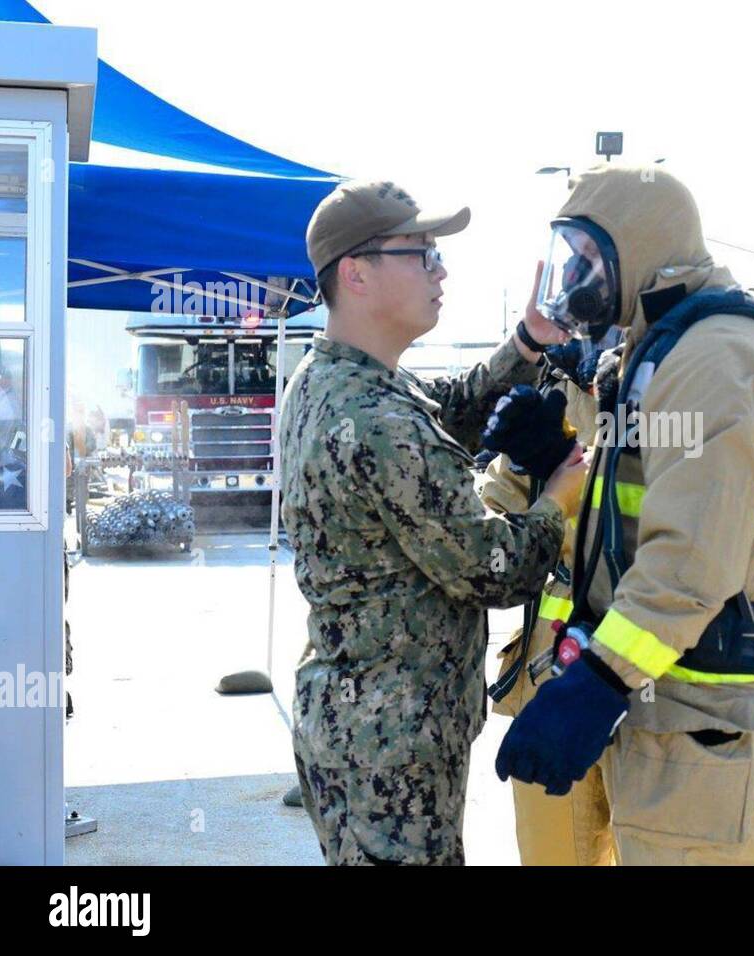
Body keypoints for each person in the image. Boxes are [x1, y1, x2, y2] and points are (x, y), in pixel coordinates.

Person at [493, 165, 754, 865]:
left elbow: (690, 558)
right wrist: (554, 460)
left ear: (642, 248)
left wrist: (599, 682)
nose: (576, 278)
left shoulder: (714, 359)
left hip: (699, 717)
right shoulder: (653, 352)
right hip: (653, 703)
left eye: (589, 259)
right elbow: (629, 513)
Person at [281, 180, 588, 866]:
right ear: (357, 274)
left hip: (367, 725)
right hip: (390, 749)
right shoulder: (372, 416)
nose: (440, 271)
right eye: (420, 254)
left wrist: (527, 343)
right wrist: (557, 502)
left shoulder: (337, 379)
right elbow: (492, 568)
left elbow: (441, 412)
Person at [479, 330, 620, 867]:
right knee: (554, 854)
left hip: (667, 683)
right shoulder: (549, 386)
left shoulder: (690, 373)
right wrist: (531, 466)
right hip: (553, 675)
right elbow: (492, 532)